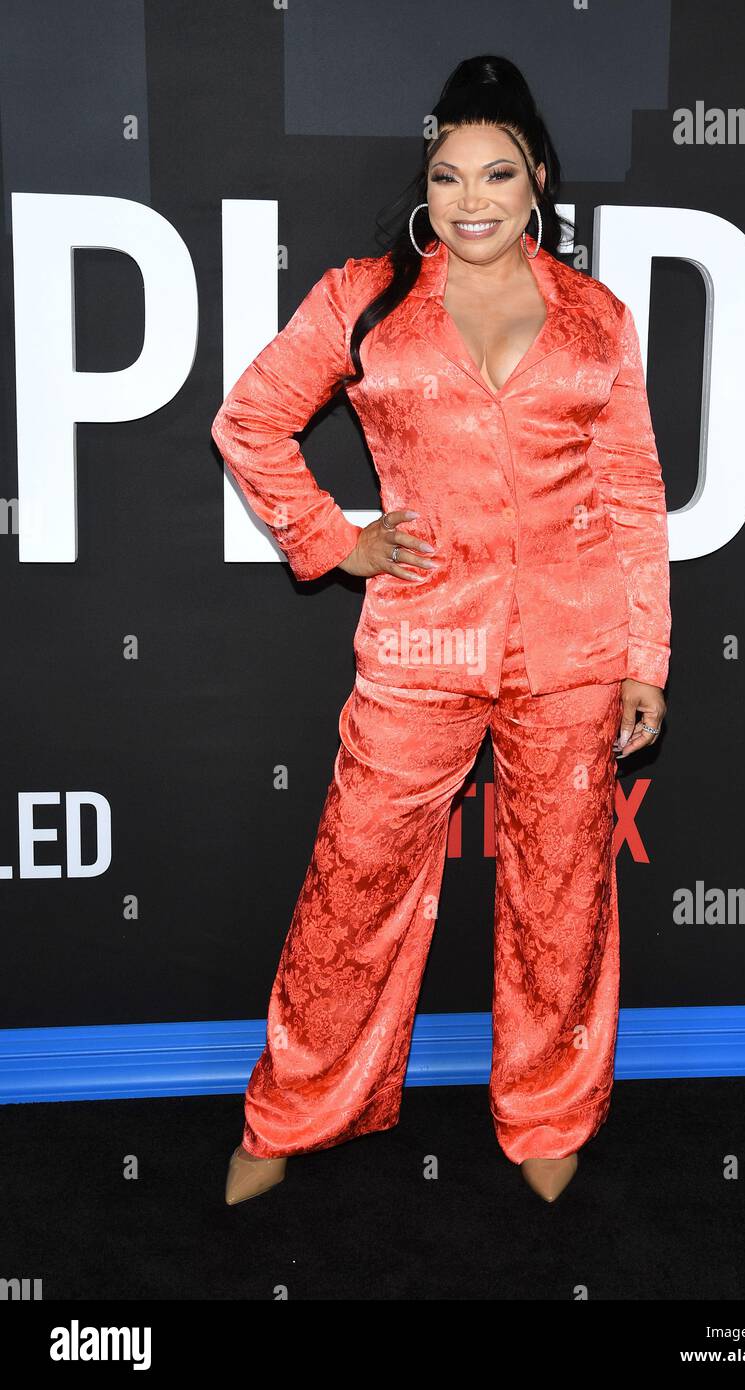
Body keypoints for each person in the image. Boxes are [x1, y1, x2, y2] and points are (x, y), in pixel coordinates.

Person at [211, 54, 671, 1206]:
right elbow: (249, 421)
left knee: (562, 896)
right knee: (350, 884)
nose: (473, 199)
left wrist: (646, 656)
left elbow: (630, 492)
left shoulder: (595, 315)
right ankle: (296, 1108)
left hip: (571, 649)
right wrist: (334, 539)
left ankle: (549, 1109)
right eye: (451, 174)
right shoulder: (364, 296)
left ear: (536, 181)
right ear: (428, 183)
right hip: (421, 642)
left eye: (497, 174)